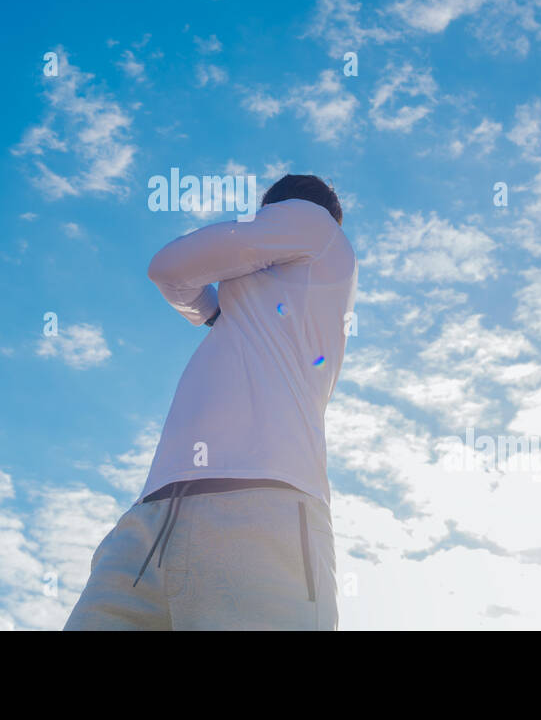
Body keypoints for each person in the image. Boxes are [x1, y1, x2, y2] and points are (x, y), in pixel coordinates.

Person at [64, 174, 357, 630]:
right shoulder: (263, 315)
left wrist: (210, 309)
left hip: (248, 513)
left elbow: (171, 266)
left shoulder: (315, 223)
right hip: (163, 519)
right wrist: (219, 313)